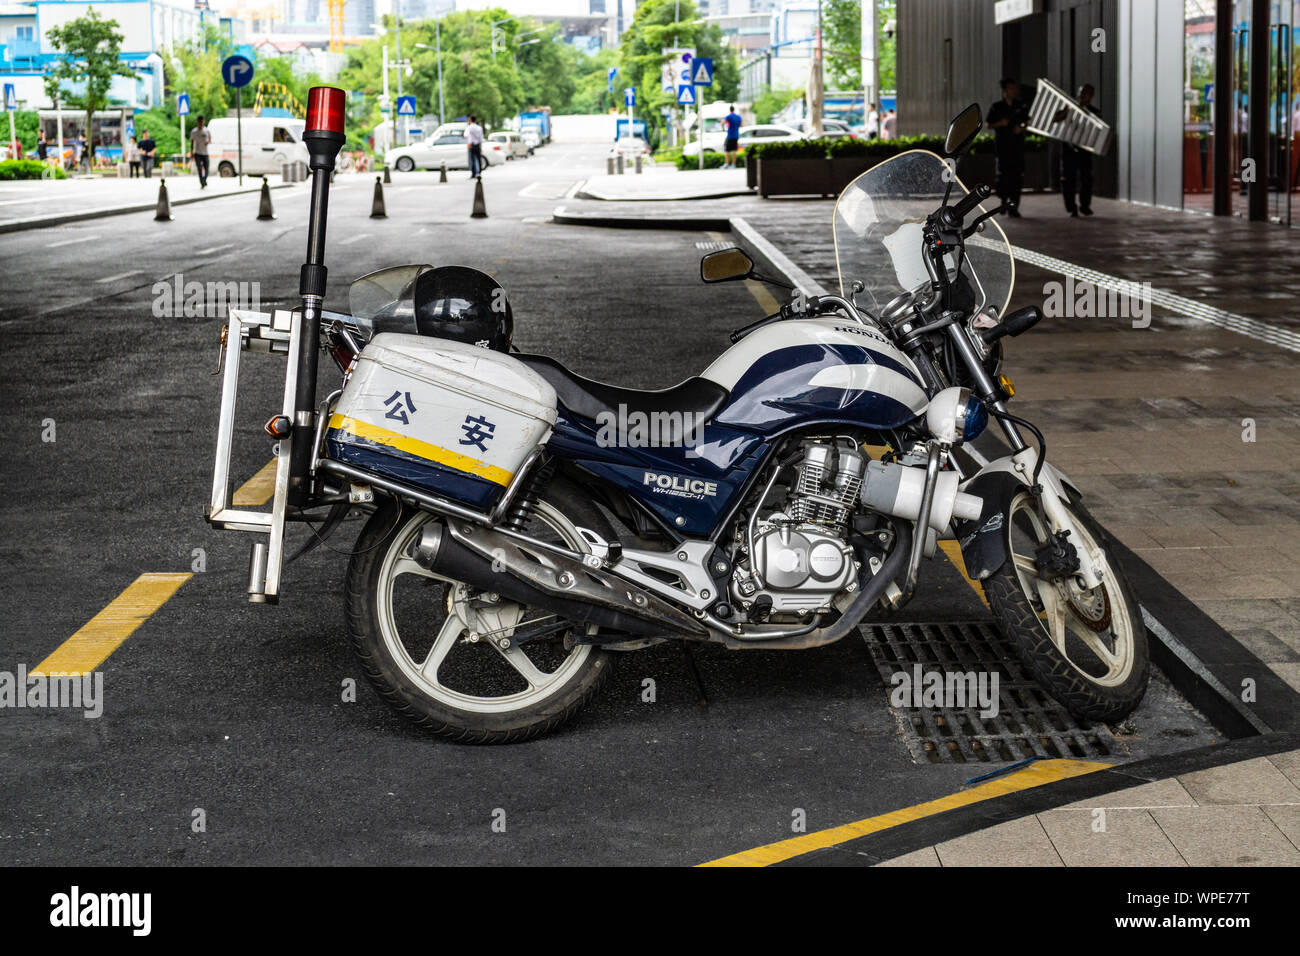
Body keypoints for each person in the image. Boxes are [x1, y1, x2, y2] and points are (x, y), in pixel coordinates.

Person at [1054, 83, 1098, 217]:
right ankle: (1071, 208)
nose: (1084, 95)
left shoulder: (1094, 112)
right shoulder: (1068, 107)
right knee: (1068, 180)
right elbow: (1055, 119)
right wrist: (1067, 110)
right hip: (1068, 150)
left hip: (1085, 152)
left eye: (1087, 93)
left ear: (1092, 96)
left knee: (1086, 179)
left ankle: (1085, 206)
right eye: (1082, 92)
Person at [987, 77, 1029, 217]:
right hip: (1002, 147)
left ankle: (1014, 207)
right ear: (1004, 90)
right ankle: (1004, 202)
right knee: (1003, 177)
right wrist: (1000, 123)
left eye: (1014, 88)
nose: (1013, 91)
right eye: (1010, 88)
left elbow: (1027, 122)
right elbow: (989, 125)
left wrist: (1021, 128)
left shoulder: (1021, 105)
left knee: (1017, 177)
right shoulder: (996, 106)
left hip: (1017, 147)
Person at [189, 115, 211, 188]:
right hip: (197, 153)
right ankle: (202, 182)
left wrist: (208, 142)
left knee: (206, 168)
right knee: (199, 168)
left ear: (204, 121)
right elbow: (192, 142)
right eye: (199, 122)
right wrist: (191, 152)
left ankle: (204, 180)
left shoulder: (207, 131)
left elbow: (210, 140)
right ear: (197, 122)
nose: (201, 123)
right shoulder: (194, 132)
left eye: (202, 121)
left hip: (205, 153)